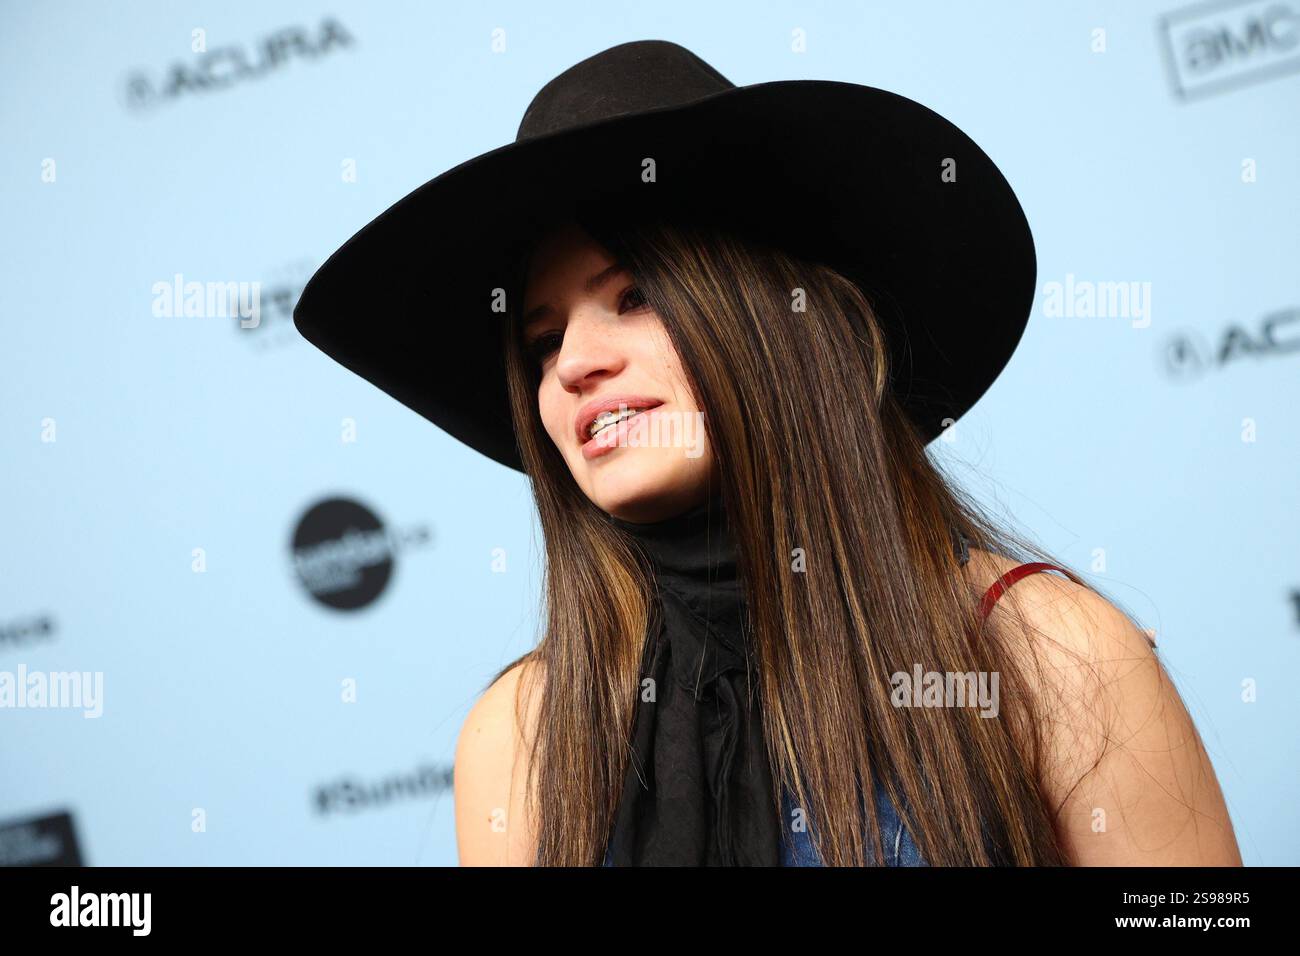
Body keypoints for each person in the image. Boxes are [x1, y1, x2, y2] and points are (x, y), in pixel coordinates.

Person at [292, 40, 1242, 866]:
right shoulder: (523, 737)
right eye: (542, 343)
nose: (576, 363)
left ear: (786, 328)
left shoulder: (1051, 657)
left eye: (637, 296)